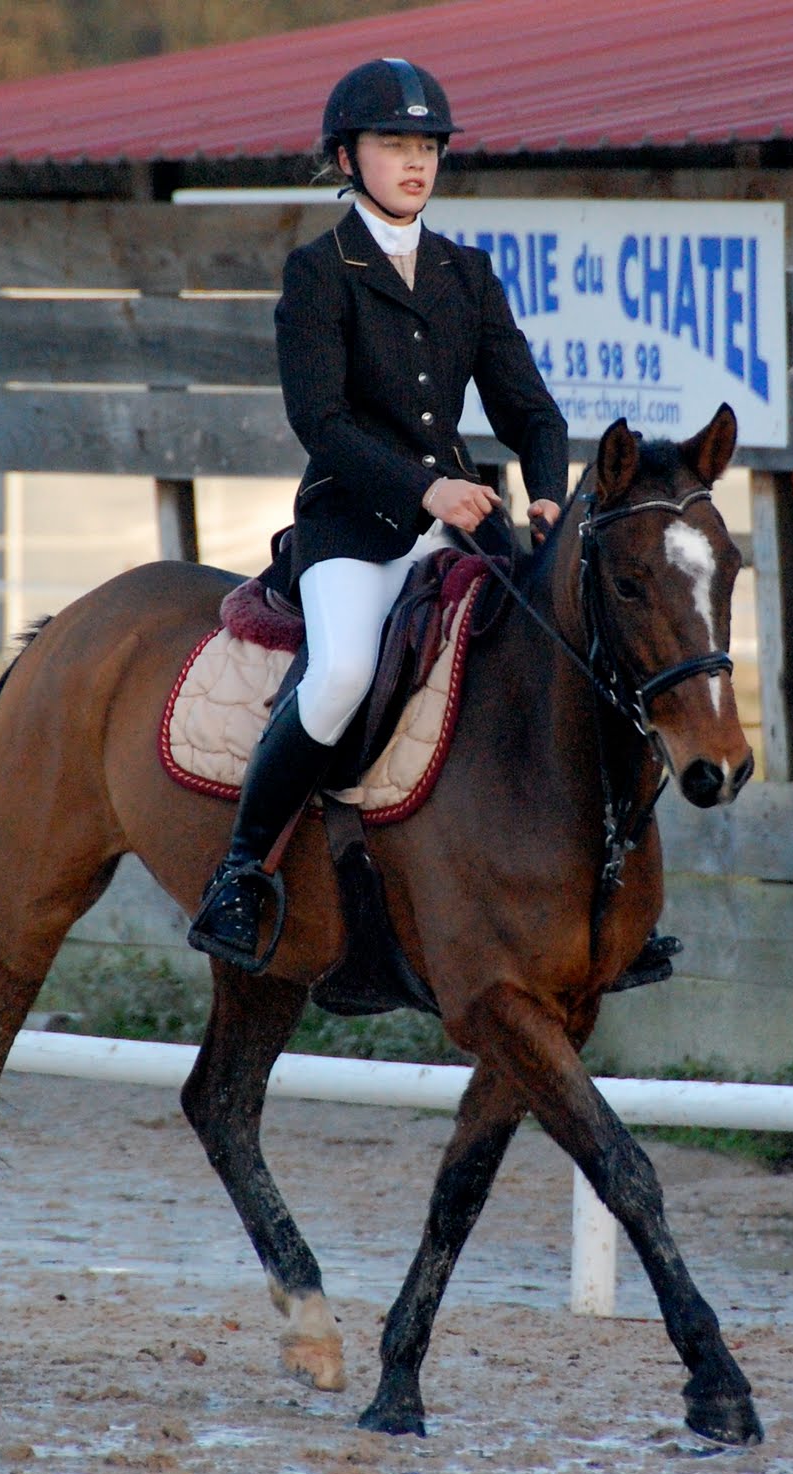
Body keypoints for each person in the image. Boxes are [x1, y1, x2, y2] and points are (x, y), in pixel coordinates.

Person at [188, 57, 568, 967]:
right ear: (347, 157)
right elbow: (318, 421)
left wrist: (550, 485)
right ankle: (242, 875)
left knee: (553, 665)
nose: (416, 162)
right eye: (395, 144)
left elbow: (530, 409)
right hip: (354, 528)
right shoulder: (320, 272)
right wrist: (424, 488)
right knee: (342, 675)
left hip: (466, 527)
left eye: (427, 145)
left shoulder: (466, 274)